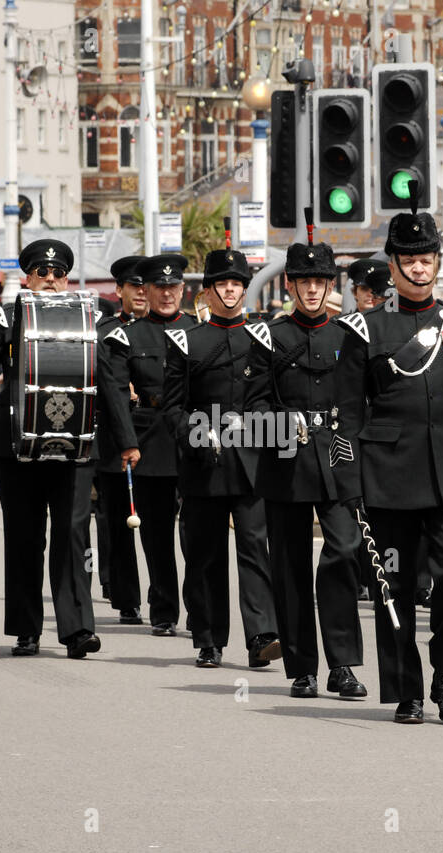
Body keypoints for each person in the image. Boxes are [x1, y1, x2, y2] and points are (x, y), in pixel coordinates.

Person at [331, 193, 443, 724]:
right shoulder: (366, 329)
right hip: (388, 477)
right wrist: (349, 479)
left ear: (436, 263)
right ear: (393, 265)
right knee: (393, 589)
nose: (420, 268)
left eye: (427, 258)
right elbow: (347, 414)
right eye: (410, 259)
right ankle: (408, 689)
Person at [0, 239, 98, 659]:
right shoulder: (9, 316)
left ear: (66, 279)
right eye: (42, 274)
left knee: (72, 534)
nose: (51, 281)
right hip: (17, 441)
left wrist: (124, 440)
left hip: (75, 440)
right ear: (27, 278)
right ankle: (25, 628)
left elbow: (100, 375)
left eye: (58, 275)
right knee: (24, 537)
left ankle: (77, 629)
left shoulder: (87, 314)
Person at [246, 229, 366, 699]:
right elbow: (252, 407)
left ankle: (343, 666)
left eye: (321, 281)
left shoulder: (349, 335)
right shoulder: (270, 338)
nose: (313, 289)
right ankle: (302, 666)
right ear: (290, 286)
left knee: (341, 554)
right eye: (303, 281)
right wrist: (282, 420)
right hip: (286, 462)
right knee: (291, 566)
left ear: (331, 285)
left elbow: (361, 404)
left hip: (337, 457)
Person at [162, 235, 280, 668]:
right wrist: (197, 431)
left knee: (254, 549)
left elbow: (269, 396)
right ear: (207, 291)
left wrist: (256, 424)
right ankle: (208, 638)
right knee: (205, 554)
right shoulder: (184, 340)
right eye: (222, 285)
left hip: (250, 461)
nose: (230, 291)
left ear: (244, 289)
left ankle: (262, 636)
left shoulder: (261, 337)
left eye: (237, 284)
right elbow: (171, 407)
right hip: (203, 462)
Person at [98, 254, 193, 637]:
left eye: (173, 288)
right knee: (156, 535)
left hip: (193, 438)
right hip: (150, 441)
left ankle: (201, 611)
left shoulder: (197, 330)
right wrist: (128, 443)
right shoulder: (128, 336)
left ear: (183, 290)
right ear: (148, 292)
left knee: (196, 535)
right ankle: (164, 610)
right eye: (159, 288)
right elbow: (117, 395)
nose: (167, 294)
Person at [94, 255, 151, 625]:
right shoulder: (106, 332)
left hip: (158, 436)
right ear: (120, 291)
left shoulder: (170, 330)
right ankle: (126, 597)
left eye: (147, 287)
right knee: (119, 520)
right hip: (117, 438)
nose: (142, 293)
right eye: (135, 287)